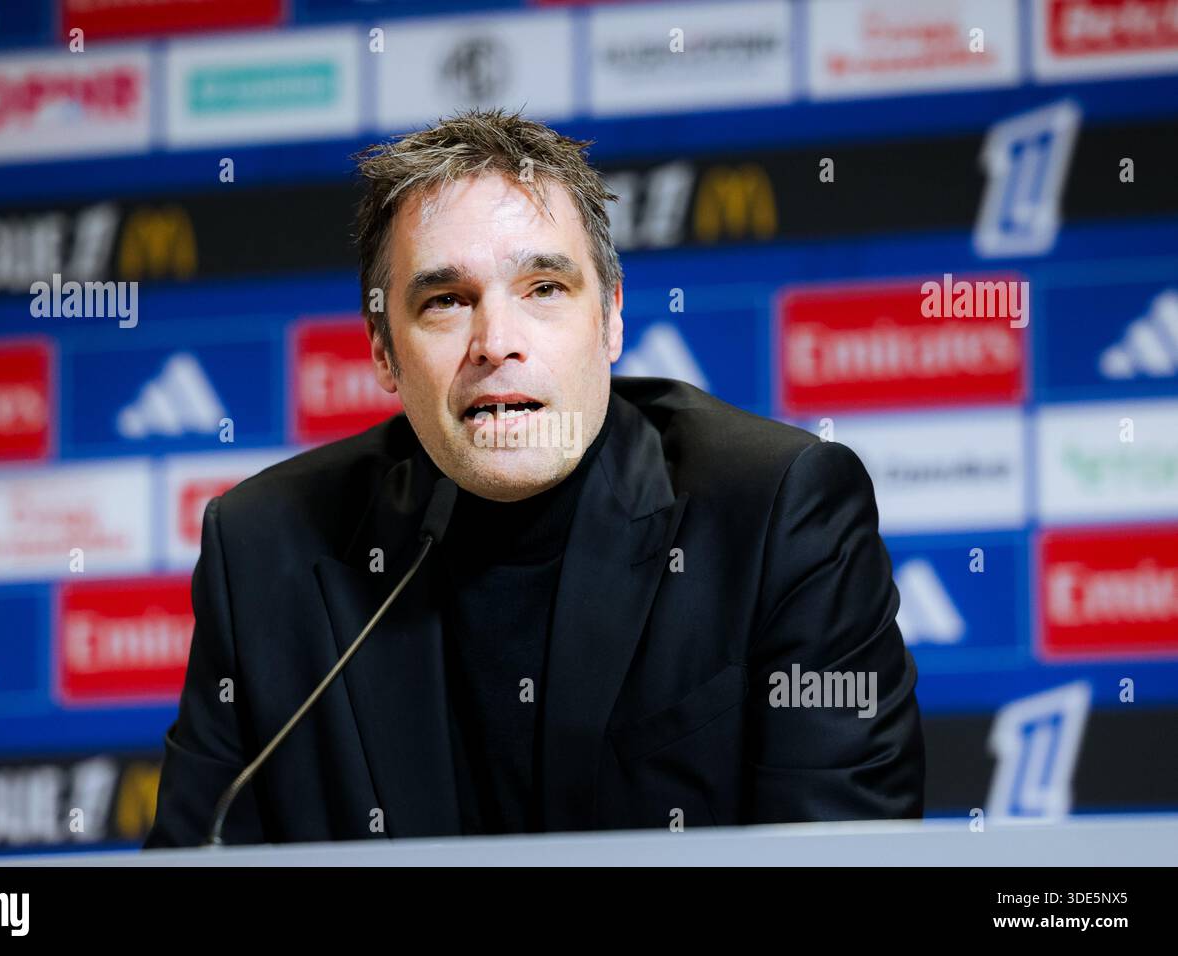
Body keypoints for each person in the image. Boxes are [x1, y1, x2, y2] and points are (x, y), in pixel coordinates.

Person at [144, 108, 924, 847]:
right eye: (446, 301)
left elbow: (841, 851)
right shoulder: (262, 548)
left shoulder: (778, 513)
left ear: (612, 316)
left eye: (544, 289)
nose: (496, 342)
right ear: (383, 351)